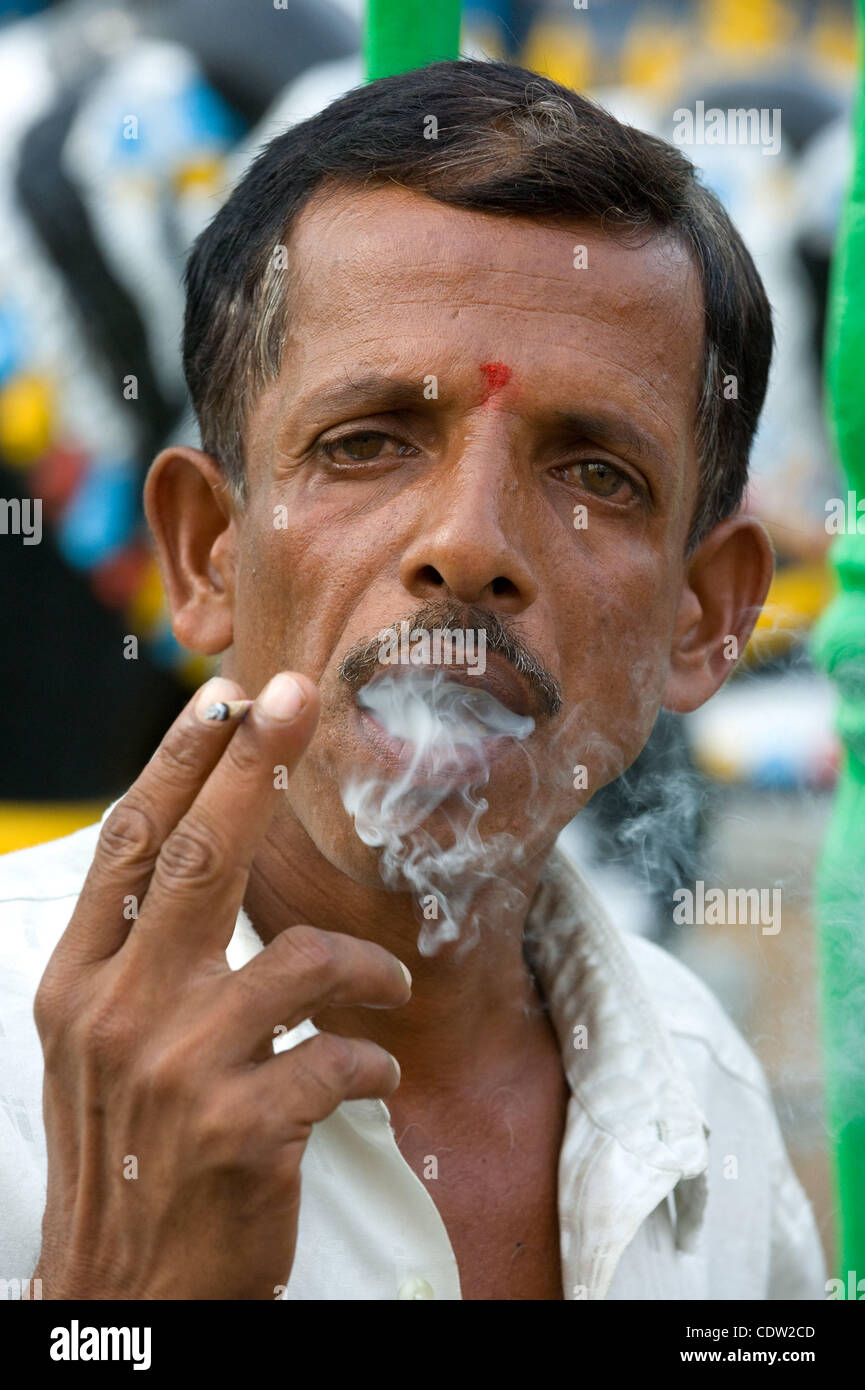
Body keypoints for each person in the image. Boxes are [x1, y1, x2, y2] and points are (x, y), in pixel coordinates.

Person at [0, 59, 826, 1300]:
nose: (471, 546)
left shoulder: (703, 1085)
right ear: (205, 551)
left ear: (703, 620)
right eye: (367, 443)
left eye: (595, 473)